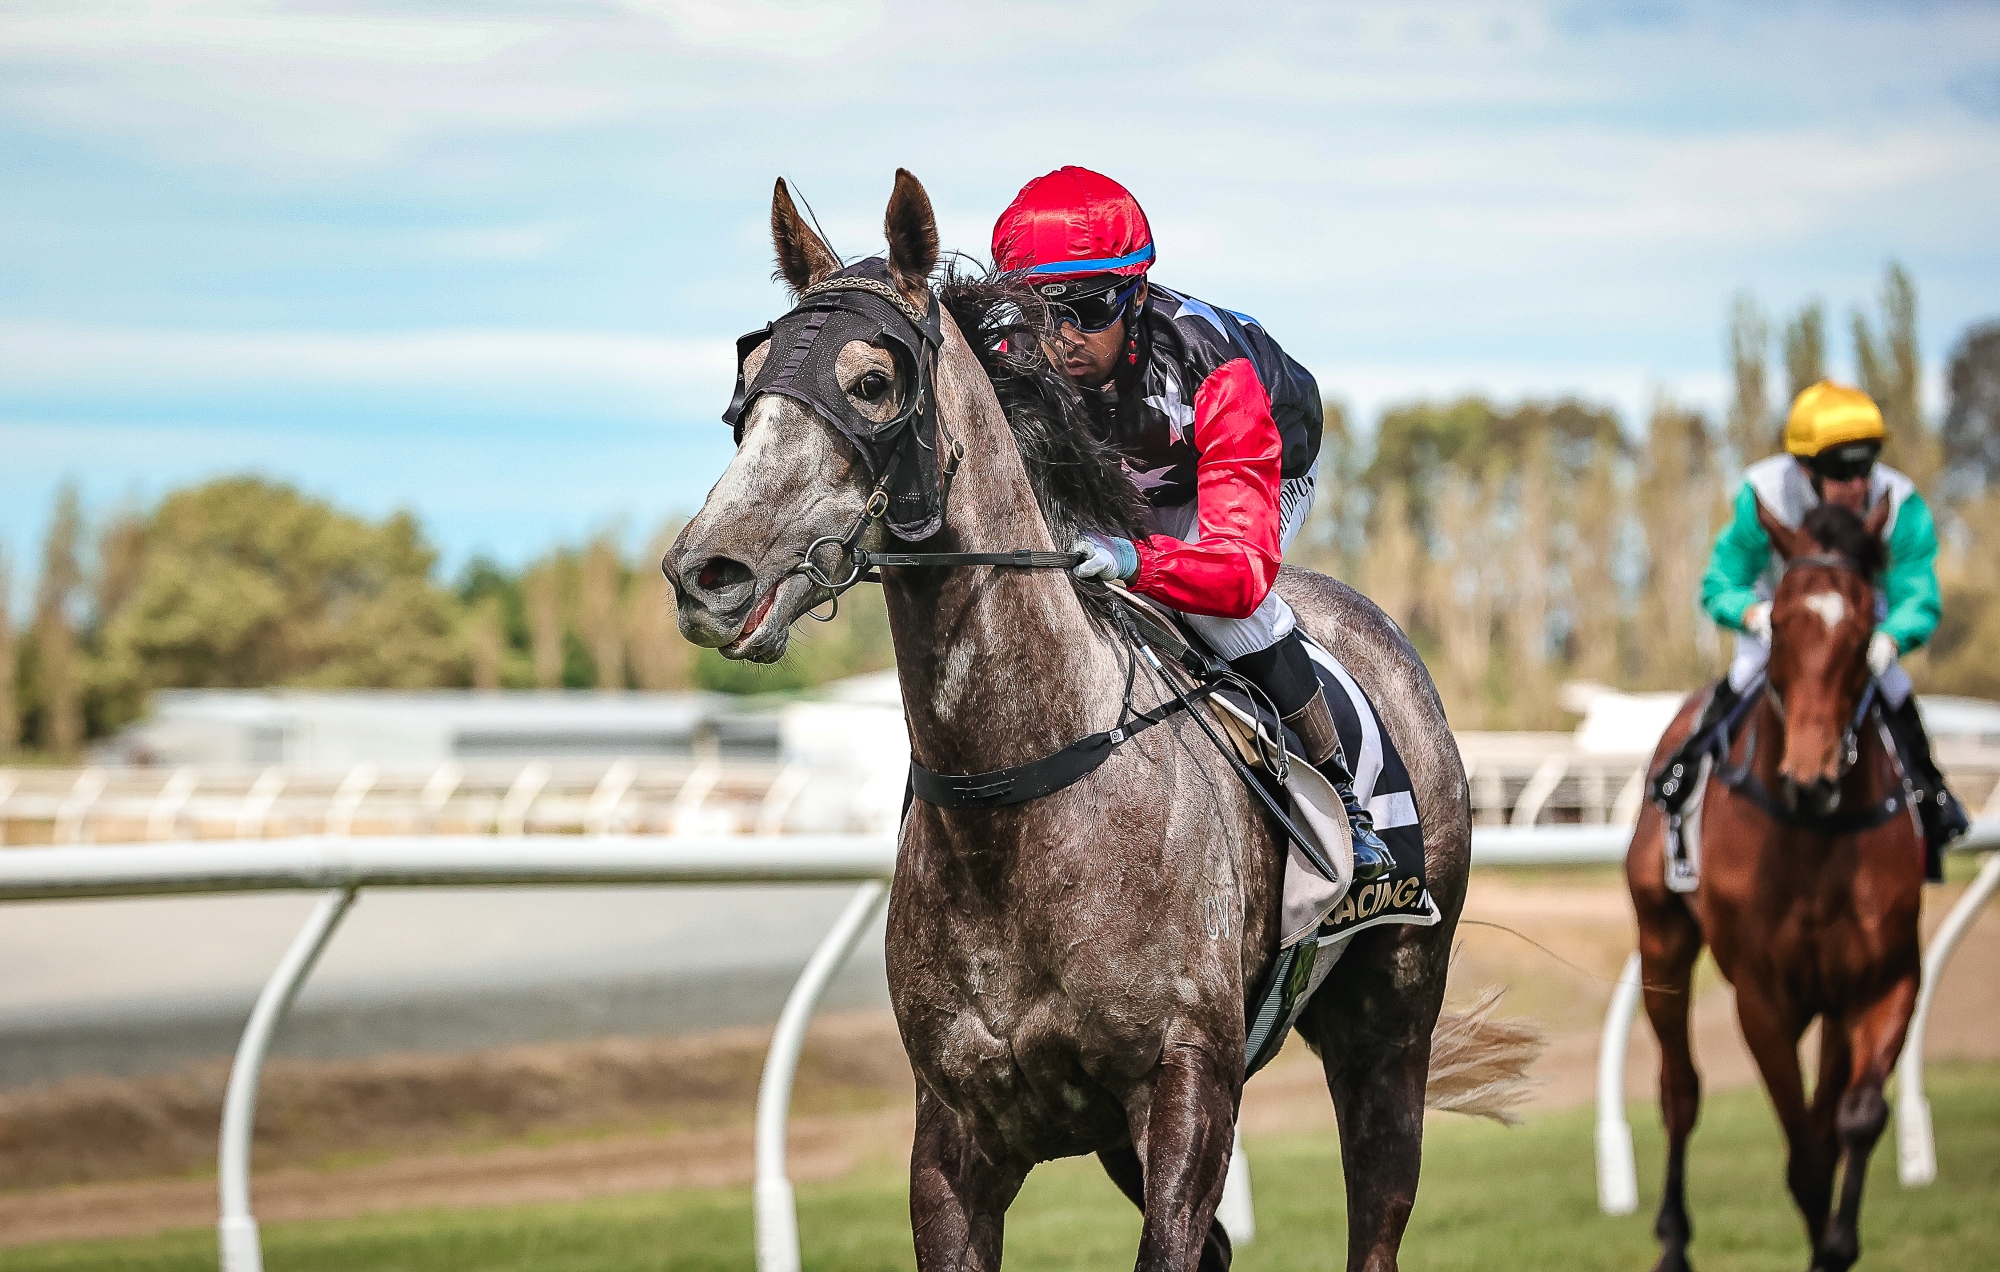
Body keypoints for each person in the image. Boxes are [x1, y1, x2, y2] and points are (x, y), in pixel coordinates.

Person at [990, 166, 1393, 880]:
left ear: (1137, 294)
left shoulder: (1216, 372)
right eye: (1038, 312)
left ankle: (1341, 801)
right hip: (1126, 472)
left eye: (1088, 308)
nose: (1063, 337)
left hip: (1249, 466)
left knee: (1217, 610)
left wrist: (1138, 561)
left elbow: (1236, 573)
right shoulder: (1011, 360)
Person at [1652, 380, 1970, 875]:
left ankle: (1933, 798)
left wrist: (1891, 637)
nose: (1858, 484)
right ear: (1805, 467)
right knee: (1742, 676)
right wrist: (1753, 615)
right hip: (1776, 621)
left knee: (1895, 686)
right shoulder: (1764, 494)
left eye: (1865, 466)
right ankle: (1683, 776)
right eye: (1841, 470)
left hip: (1860, 628)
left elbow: (1917, 593)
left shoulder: (1901, 503)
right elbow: (1721, 582)